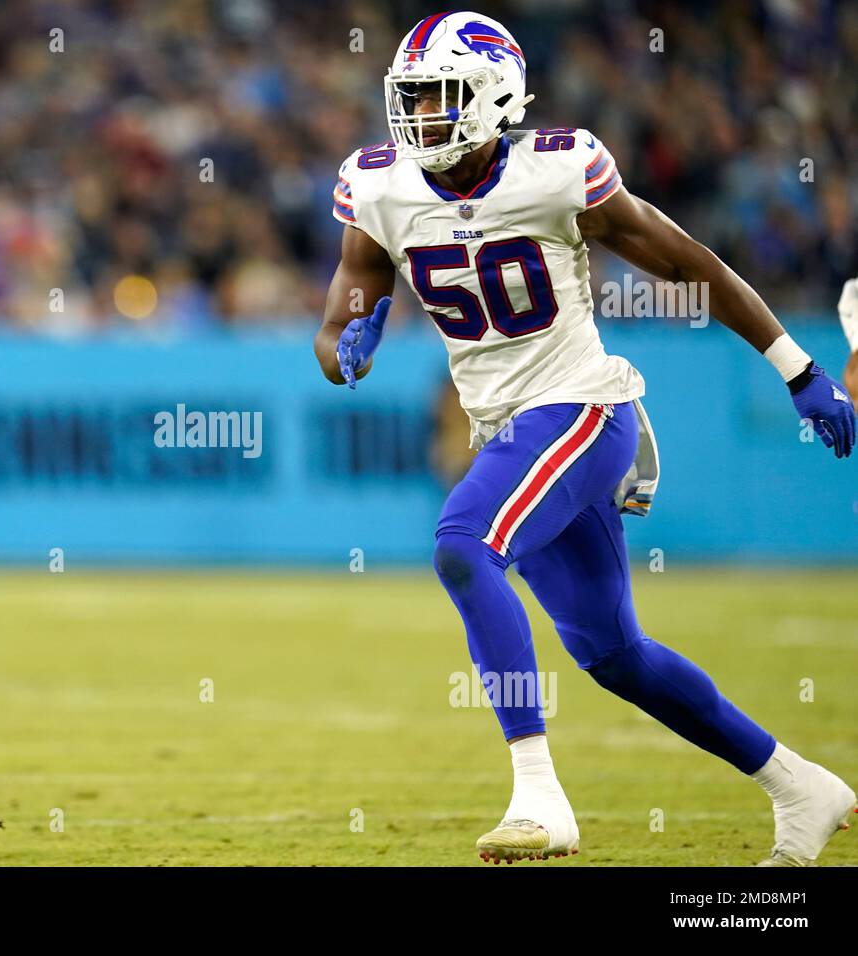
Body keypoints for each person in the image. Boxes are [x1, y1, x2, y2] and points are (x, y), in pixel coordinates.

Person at [313, 11, 856, 865]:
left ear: (494, 98)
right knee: (615, 655)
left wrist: (796, 367)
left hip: (580, 409)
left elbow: (688, 265)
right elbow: (350, 293)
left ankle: (538, 795)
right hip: (507, 427)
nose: (418, 117)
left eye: (439, 96)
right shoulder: (382, 186)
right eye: (409, 98)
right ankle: (801, 787)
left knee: (461, 542)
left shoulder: (557, 172)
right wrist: (349, 342)